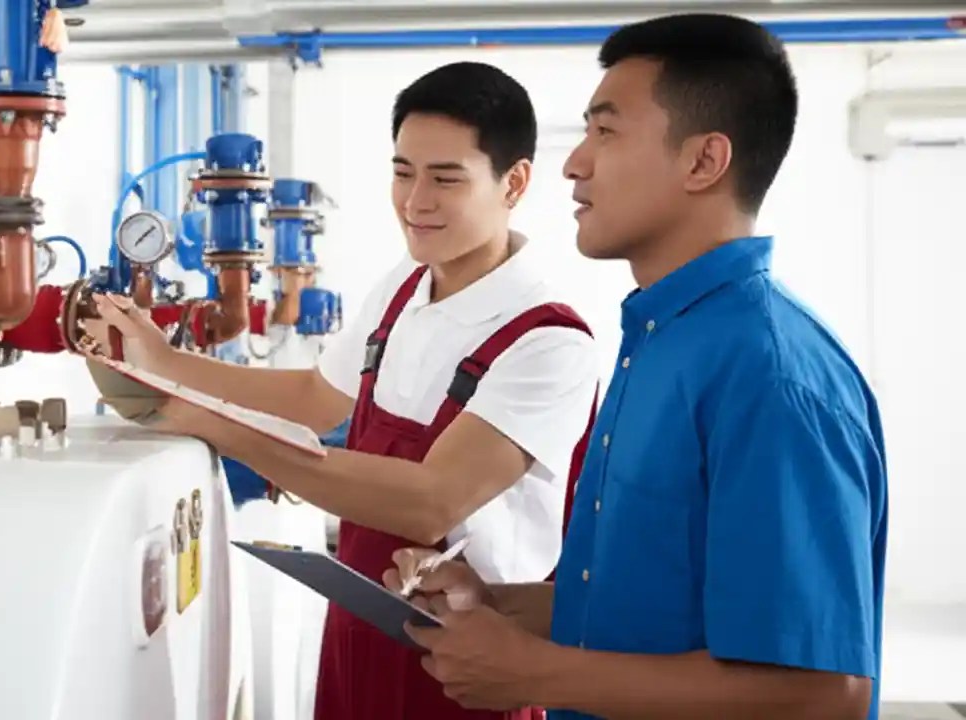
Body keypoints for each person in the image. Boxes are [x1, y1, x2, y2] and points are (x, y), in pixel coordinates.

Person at [381, 13, 889, 720]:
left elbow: (821, 692)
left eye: (605, 131)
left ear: (703, 162)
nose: (573, 162)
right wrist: (492, 603)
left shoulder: (768, 373)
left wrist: (539, 675)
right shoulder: (658, 338)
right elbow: (638, 606)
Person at [85, 61, 601, 719]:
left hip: (469, 670)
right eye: (402, 171)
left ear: (514, 183)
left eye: (446, 178)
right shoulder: (407, 284)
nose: (415, 202)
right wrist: (162, 362)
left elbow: (430, 502)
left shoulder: (548, 340)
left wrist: (212, 423)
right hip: (359, 630)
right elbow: (313, 398)